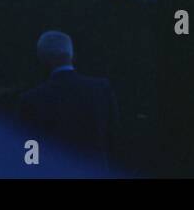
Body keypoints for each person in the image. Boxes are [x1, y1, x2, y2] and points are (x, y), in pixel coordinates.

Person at [17, 31, 118, 174]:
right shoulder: (101, 89)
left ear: (42, 58)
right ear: (71, 54)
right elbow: (114, 137)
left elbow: (30, 152)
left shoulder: (31, 99)